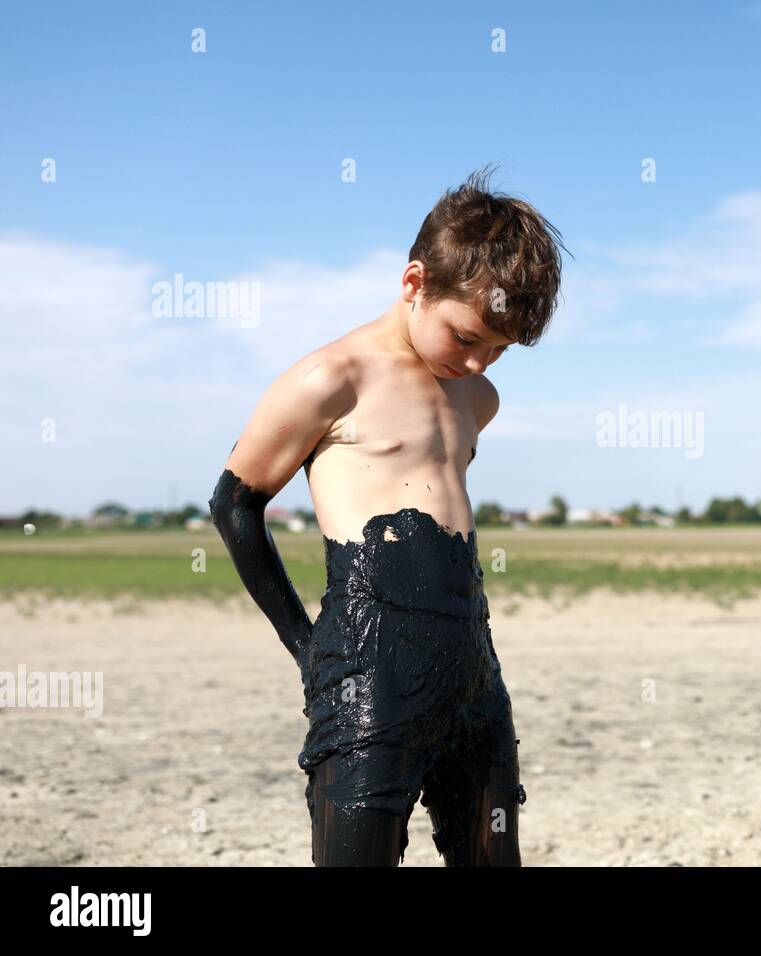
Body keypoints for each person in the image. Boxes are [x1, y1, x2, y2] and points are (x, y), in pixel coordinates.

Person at [206, 164, 566, 866]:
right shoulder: (331, 378)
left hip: (473, 667)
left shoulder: (476, 400)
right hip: (368, 665)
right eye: (468, 337)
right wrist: (307, 649)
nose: (481, 361)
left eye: (501, 349)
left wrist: (469, 359)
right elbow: (234, 503)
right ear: (413, 284)